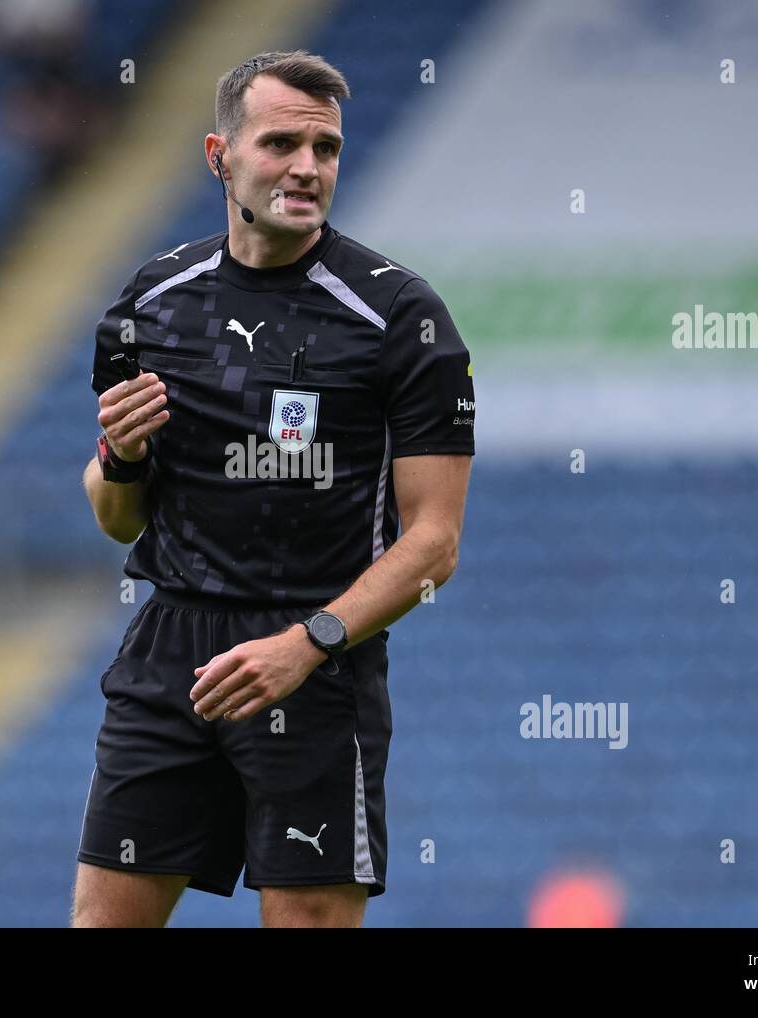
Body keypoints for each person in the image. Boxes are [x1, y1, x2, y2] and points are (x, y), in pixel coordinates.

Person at [73, 50, 475, 928]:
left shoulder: (400, 318)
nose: (307, 167)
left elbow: (435, 541)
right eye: (282, 142)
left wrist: (308, 643)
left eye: (325, 148)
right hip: (168, 649)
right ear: (220, 155)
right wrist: (126, 458)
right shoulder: (153, 303)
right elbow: (115, 517)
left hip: (317, 657)